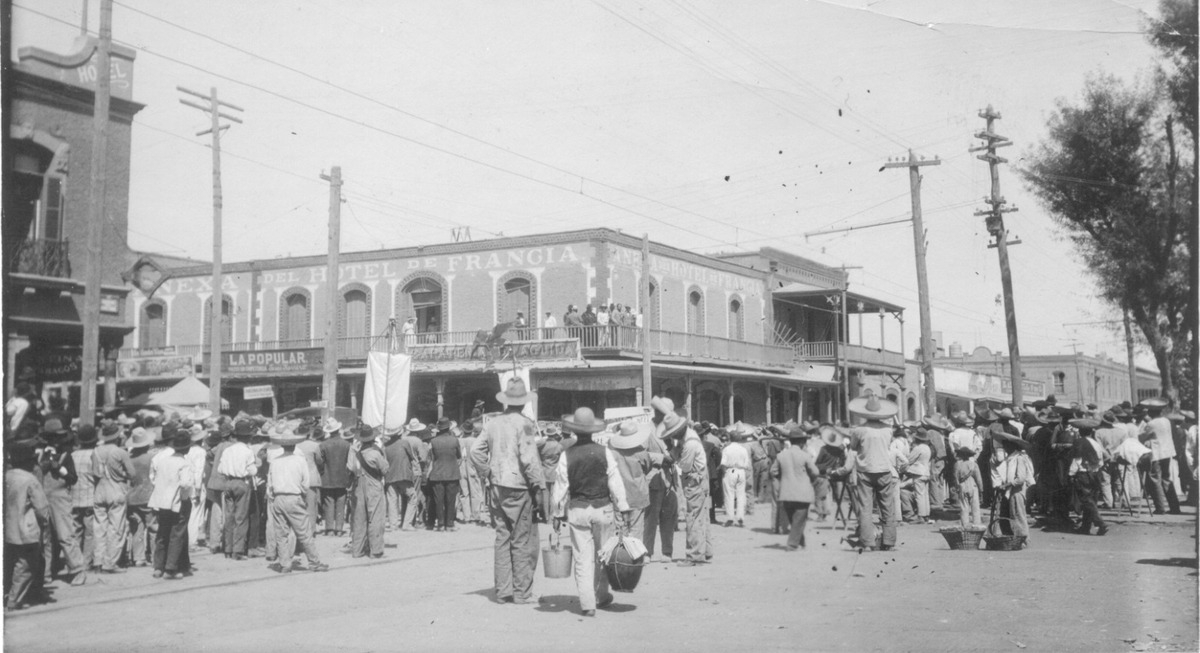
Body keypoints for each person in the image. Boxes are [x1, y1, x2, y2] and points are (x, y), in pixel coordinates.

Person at [470, 378, 545, 604]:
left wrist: (487, 472)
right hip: (519, 486)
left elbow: (475, 451)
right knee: (521, 540)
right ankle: (522, 592)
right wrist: (538, 487)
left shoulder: (492, 423)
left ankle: (503, 591)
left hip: (497, 485)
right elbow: (529, 459)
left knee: (502, 537)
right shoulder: (525, 424)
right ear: (523, 403)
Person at [551, 407, 632, 617]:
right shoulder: (604, 452)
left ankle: (587, 603)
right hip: (603, 509)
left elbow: (560, 487)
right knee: (603, 555)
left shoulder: (566, 455)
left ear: (575, 430)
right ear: (593, 431)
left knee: (582, 558)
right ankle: (601, 596)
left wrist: (557, 513)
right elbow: (615, 482)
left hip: (578, 510)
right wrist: (623, 507)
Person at [839, 390, 899, 551]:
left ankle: (867, 542)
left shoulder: (859, 430)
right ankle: (889, 542)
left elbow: (853, 447)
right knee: (887, 507)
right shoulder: (888, 429)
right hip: (884, 469)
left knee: (865, 508)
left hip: (865, 470)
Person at [266, 426, 329, 573]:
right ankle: (314, 562)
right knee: (304, 532)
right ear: (295, 445)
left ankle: (285, 564)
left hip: (278, 498)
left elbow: (270, 483)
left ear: (282, 445)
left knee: (281, 534)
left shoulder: (275, 461)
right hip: (294, 497)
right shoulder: (300, 460)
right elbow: (305, 483)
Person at [36, 417, 86, 586]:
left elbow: (73, 478)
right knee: (44, 537)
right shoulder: (40, 453)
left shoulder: (66, 455)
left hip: (59, 497)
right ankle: (46, 573)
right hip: (42, 496)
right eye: (52, 437)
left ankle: (77, 570)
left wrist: (60, 469)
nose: (55, 440)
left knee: (65, 534)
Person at [663, 405, 711, 566]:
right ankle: (705, 551)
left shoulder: (689, 443)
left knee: (693, 517)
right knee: (701, 517)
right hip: (699, 479)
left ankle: (694, 555)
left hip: (694, 480)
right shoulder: (688, 436)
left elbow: (684, 466)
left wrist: (672, 453)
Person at [5, 440, 50, 610]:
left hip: (8, 529)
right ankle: (15, 600)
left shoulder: (6, 476)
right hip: (26, 529)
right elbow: (41, 508)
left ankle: (7, 594)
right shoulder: (30, 480)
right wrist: (44, 525)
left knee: (9, 564)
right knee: (25, 566)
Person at [149, 430, 196, 579]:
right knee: (177, 534)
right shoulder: (184, 463)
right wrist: (184, 498)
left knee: (163, 533)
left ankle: (158, 566)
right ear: (187, 448)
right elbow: (186, 483)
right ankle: (171, 568)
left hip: (161, 502)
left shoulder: (162, 461)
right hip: (177, 502)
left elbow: (155, 479)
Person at [606, 419, 662, 542]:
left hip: (619, 494)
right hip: (638, 493)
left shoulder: (613, 452)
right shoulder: (641, 452)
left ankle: (621, 556)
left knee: (621, 527)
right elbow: (647, 468)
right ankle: (635, 557)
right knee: (636, 529)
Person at [91, 423, 136, 573]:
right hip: (116, 489)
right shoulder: (120, 452)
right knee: (116, 527)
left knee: (99, 527)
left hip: (99, 489)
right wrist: (122, 474)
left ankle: (98, 560)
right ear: (117, 436)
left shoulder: (96, 451)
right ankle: (110, 562)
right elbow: (132, 474)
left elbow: (95, 472)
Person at [770, 424, 821, 551]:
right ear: (803, 442)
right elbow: (815, 472)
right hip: (803, 492)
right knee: (799, 518)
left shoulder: (781, 455)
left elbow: (773, 471)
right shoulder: (805, 456)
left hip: (786, 492)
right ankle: (792, 544)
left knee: (795, 519)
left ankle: (801, 541)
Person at [218, 420, 258, 560]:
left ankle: (227, 549)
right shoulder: (248, 451)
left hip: (228, 482)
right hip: (242, 483)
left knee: (229, 516)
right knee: (241, 517)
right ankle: (238, 550)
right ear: (248, 437)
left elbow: (220, 469)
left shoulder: (228, 450)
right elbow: (252, 471)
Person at [348, 425, 390, 558]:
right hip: (373, 484)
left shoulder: (355, 453)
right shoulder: (375, 453)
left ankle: (357, 549)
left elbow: (350, 468)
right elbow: (385, 469)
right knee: (375, 517)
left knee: (359, 518)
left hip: (358, 483)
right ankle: (376, 550)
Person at [645, 398, 678, 562]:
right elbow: (641, 455)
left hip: (670, 478)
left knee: (669, 516)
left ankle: (667, 551)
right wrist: (661, 458)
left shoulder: (670, 430)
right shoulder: (646, 430)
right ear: (657, 412)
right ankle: (647, 552)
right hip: (654, 477)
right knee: (650, 518)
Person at [1139, 398, 1181, 514]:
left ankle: (1160, 507)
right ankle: (1174, 506)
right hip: (1167, 453)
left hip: (1156, 453)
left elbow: (1142, 437)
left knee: (1155, 480)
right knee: (1167, 479)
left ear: (1151, 412)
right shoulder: (1166, 421)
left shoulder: (1151, 424)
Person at [993, 429, 1035, 543]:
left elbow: (1020, 479)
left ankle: (1023, 539)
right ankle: (1011, 538)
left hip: (1017, 491)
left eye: (1006, 444)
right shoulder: (1009, 458)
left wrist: (1006, 485)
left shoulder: (1020, 458)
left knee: (1018, 516)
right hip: (1010, 491)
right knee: (1008, 515)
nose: (1004, 446)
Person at [1069, 418, 1109, 536]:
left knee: (1086, 500)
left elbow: (1077, 460)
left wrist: (1071, 474)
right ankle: (1085, 527)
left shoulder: (1079, 442)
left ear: (1080, 432)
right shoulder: (1096, 443)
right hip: (1095, 473)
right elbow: (1102, 459)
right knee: (1091, 500)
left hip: (1083, 474)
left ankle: (1100, 523)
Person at [315, 417, 353, 535]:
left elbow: (320, 461)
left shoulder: (322, 445)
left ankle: (329, 528)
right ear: (339, 429)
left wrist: (322, 470)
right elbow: (350, 463)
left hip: (327, 478)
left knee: (328, 503)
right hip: (342, 478)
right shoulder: (346, 444)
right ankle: (339, 528)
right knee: (341, 503)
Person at [125, 427, 156, 568]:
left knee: (136, 527)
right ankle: (155, 556)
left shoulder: (128, 458)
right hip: (148, 495)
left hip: (132, 496)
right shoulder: (151, 457)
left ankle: (138, 557)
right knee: (153, 527)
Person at [69, 424, 98, 571]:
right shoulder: (95, 455)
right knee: (89, 532)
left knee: (75, 532)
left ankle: (74, 562)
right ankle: (86, 563)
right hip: (90, 498)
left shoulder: (73, 455)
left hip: (73, 498)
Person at [427, 417, 461, 531]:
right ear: (448, 428)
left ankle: (440, 524)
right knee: (450, 500)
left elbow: (430, 458)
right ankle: (449, 524)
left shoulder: (433, 441)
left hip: (437, 474)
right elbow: (459, 456)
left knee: (438, 500)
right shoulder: (455, 440)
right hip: (452, 473)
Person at [383, 425, 414, 531]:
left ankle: (393, 524)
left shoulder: (386, 446)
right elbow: (412, 457)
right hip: (404, 474)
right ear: (400, 433)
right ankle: (407, 524)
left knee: (392, 500)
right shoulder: (404, 443)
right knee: (412, 497)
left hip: (390, 476)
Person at [720, 427, 752, 527]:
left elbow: (723, 463)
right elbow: (747, 464)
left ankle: (730, 517)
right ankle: (740, 517)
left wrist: (723, 472)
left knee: (729, 495)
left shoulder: (727, 449)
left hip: (730, 470)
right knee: (741, 495)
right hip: (741, 471)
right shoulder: (743, 449)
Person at [400, 419, 429, 529]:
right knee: (415, 496)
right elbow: (423, 458)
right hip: (416, 470)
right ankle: (413, 521)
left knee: (405, 496)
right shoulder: (418, 441)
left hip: (405, 470)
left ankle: (404, 519)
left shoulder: (402, 439)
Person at [458, 420, 487, 525]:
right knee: (475, 492)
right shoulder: (476, 441)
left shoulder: (458, 441)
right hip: (473, 468)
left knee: (464, 492)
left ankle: (466, 516)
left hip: (461, 467)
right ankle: (476, 515)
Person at [901, 427, 932, 524]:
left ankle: (921, 516)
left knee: (919, 495)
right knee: (925, 495)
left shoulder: (918, 448)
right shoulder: (927, 448)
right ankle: (926, 514)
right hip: (926, 472)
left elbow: (909, 460)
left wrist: (903, 467)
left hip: (918, 473)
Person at [536, 424, 565, 524]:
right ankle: (553, 515)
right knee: (554, 495)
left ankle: (546, 517)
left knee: (545, 495)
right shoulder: (559, 446)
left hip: (544, 471)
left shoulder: (542, 444)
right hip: (555, 472)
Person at [952, 446, 983, 529]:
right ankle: (977, 525)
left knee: (964, 506)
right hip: (973, 485)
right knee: (975, 506)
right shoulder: (974, 465)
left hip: (962, 485)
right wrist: (981, 489)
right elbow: (978, 478)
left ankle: (965, 525)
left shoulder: (957, 464)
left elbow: (955, 477)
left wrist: (957, 487)